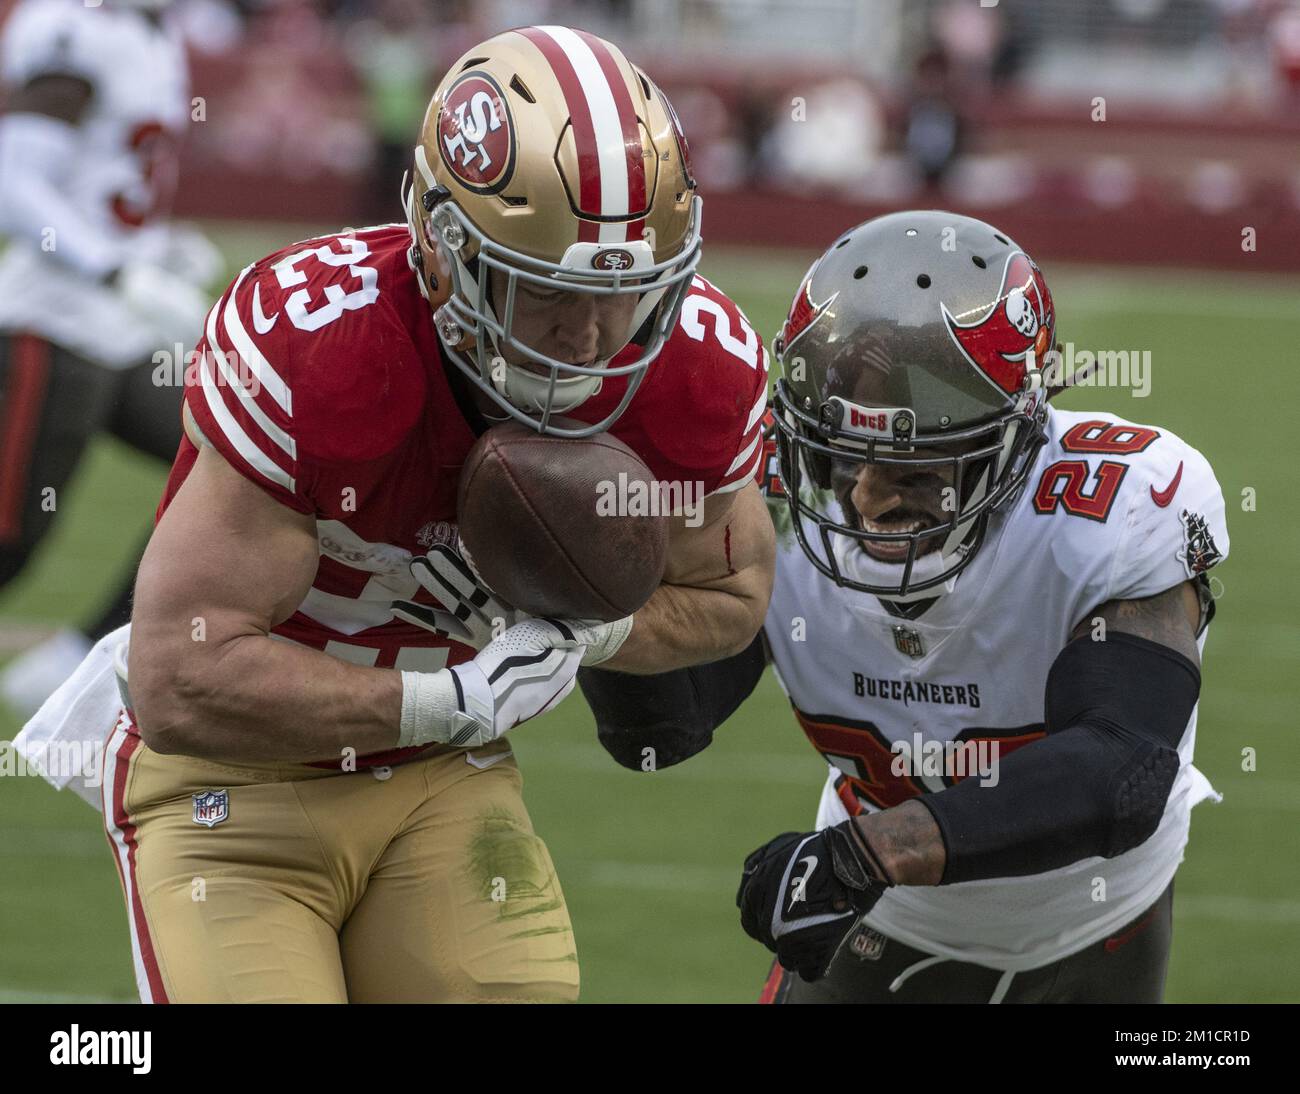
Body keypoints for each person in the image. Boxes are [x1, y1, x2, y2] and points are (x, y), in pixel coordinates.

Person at [102, 25, 773, 1003]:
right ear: (443, 248)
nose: (587, 335)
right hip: (228, 785)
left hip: (441, 779)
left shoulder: (692, 369)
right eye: (546, 289)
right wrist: (446, 697)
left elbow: (734, 592)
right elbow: (176, 673)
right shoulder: (323, 346)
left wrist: (593, 631)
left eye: (621, 292)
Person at [580, 210, 1228, 1004]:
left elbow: (1120, 770)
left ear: (1018, 438)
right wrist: (600, 589)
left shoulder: (1109, 505)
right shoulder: (776, 505)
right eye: (842, 453)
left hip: (1096, 923)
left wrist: (867, 854)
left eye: (920, 468)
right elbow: (662, 729)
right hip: (889, 923)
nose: (868, 497)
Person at [0, 0, 215, 715]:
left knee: (231, 455)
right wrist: (113, 269)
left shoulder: (153, 31)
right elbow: (14, 183)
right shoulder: (74, 25)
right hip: (50, 328)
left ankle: (89, 648)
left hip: (119, 332)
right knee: (9, 546)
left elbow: (110, 184)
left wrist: (156, 250)